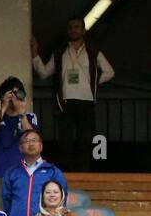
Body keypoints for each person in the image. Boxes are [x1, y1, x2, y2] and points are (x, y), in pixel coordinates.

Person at [31, 17, 114, 173]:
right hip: (65, 101)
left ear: (83, 30)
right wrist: (35, 53)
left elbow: (110, 72)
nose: (73, 30)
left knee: (84, 141)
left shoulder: (93, 51)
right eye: (70, 27)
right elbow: (43, 73)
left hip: (86, 101)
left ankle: (84, 174)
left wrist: (93, 83)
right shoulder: (60, 51)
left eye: (77, 27)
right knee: (65, 141)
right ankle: (67, 174)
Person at [2, 131, 67, 216]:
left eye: (34, 140)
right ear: (20, 148)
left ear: (41, 146)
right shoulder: (12, 172)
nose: (30, 143)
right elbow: (6, 201)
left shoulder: (53, 172)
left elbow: (62, 200)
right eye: (26, 141)